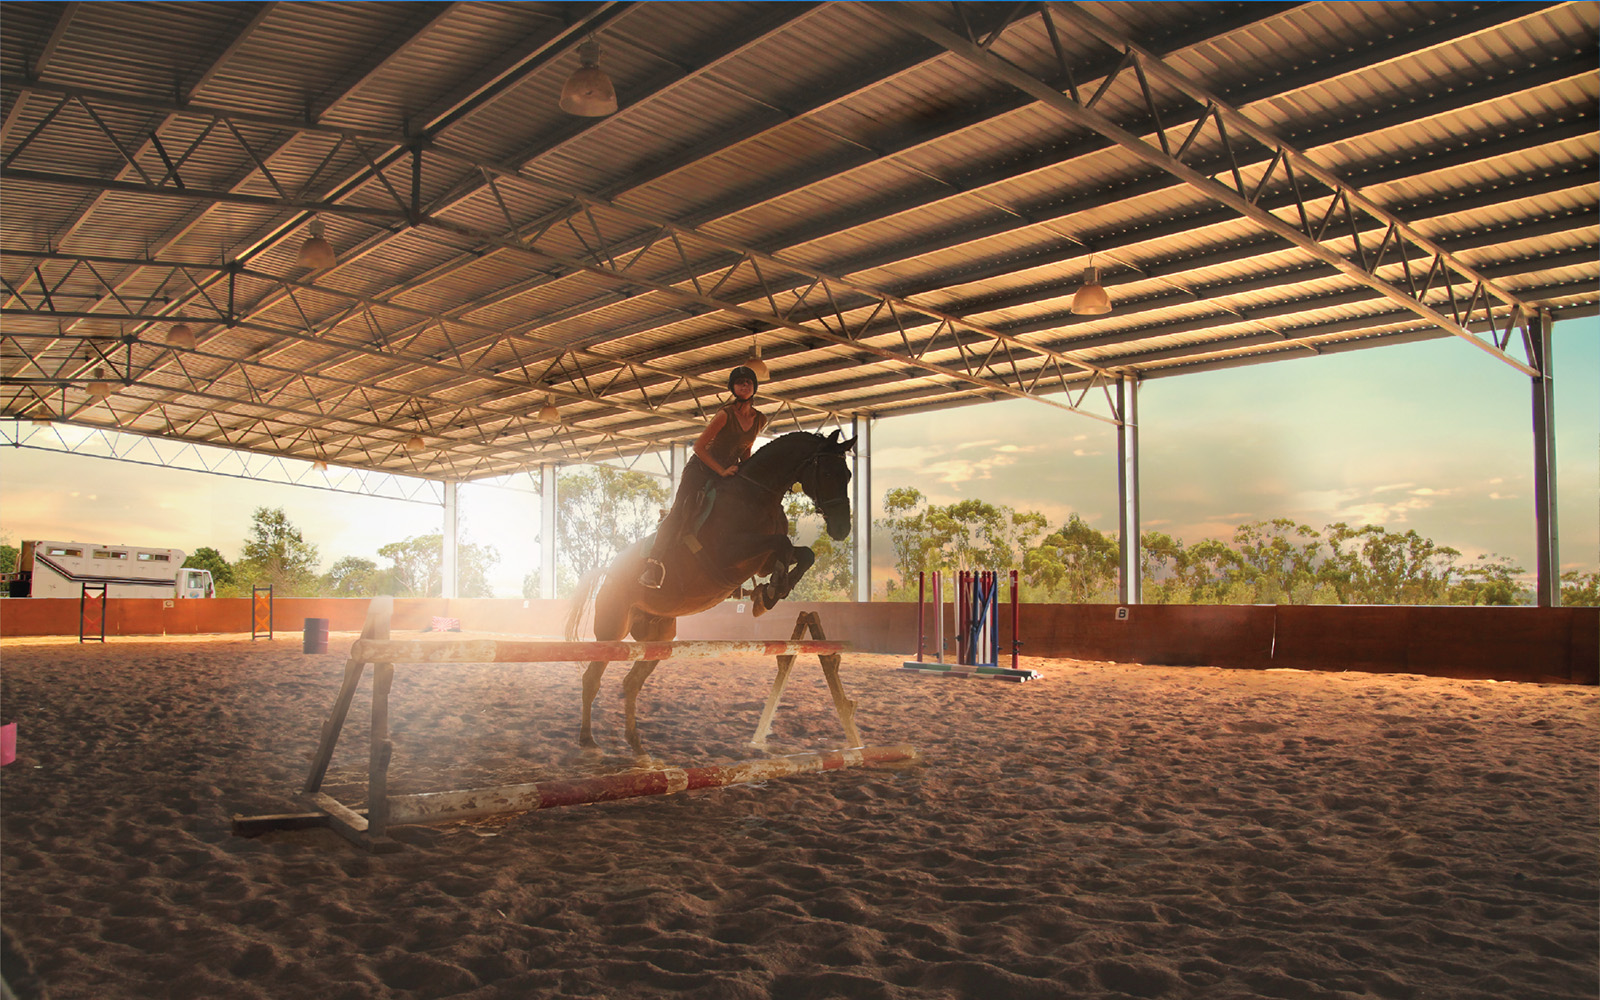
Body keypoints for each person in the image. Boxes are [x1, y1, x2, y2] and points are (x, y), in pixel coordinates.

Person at [638, 366, 769, 589]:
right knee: (680, 511)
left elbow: (746, 448)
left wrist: (747, 472)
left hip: (729, 470)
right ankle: (653, 563)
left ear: (754, 387)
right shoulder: (725, 415)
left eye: (748, 382)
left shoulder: (759, 419)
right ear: (733, 388)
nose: (744, 385)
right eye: (740, 383)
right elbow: (699, 447)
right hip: (700, 469)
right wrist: (721, 471)